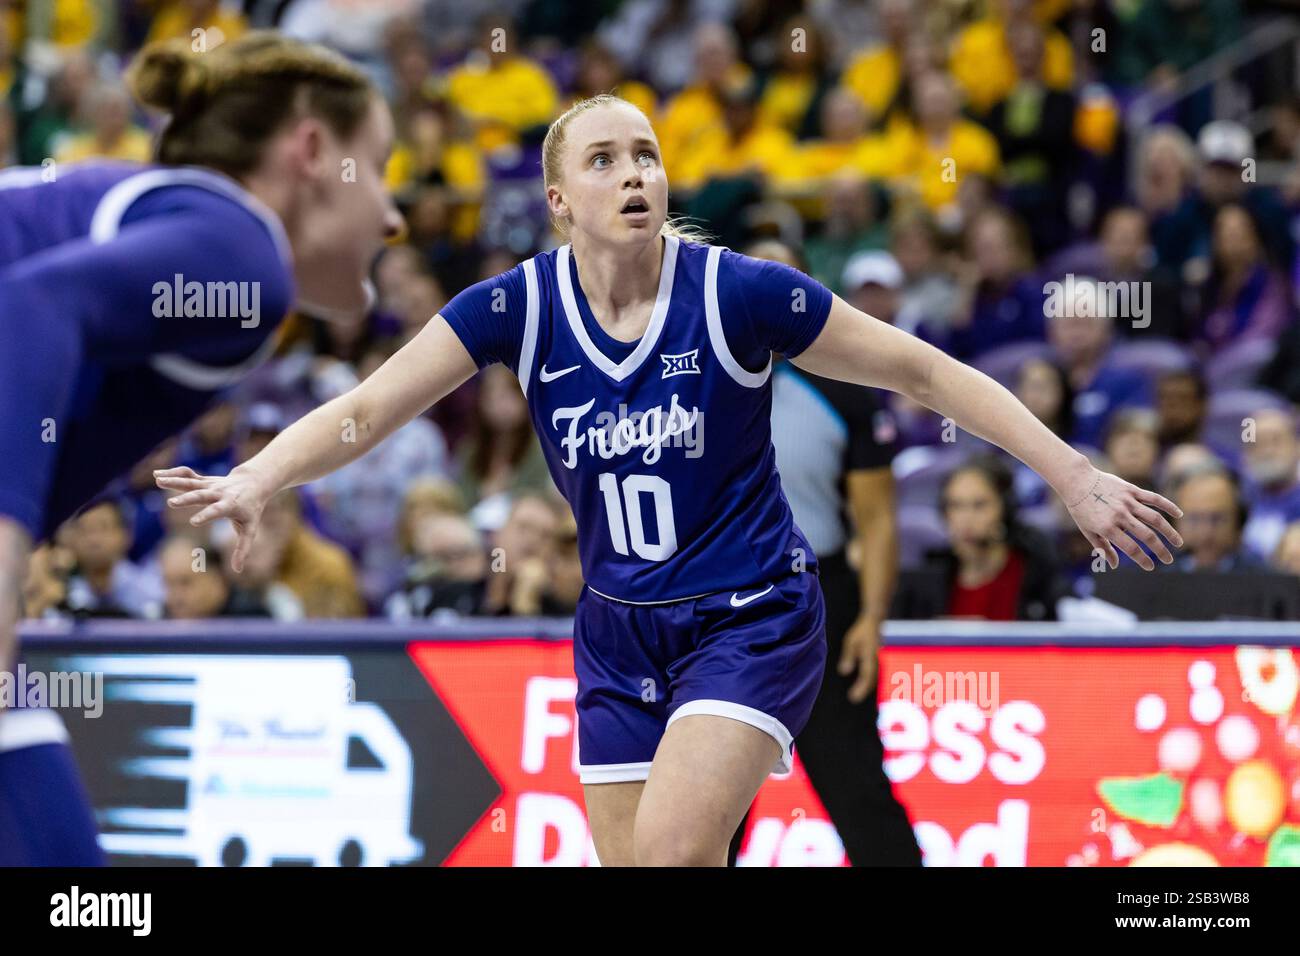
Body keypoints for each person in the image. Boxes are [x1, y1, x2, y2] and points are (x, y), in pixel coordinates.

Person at [159, 94, 1183, 867]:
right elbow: (368, 409)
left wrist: (1072, 471)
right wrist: (257, 476)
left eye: (645, 153)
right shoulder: (514, 308)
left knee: (669, 859)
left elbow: (919, 368)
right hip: (615, 626)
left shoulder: (736, 292)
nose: (634, 172)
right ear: (560, 199)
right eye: (603, 159)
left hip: (752, 614)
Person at [0, 32, 403, 865]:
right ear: (314, 150)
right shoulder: (245, 253)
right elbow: (28, 310)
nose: (395, 217)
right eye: (383, 165)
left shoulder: (212, 251)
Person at [724, 241, 920, 867]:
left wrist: (871, 619)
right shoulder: (691, 379)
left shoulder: (847, 388)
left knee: (854, 781)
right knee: (713, 799)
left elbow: (878, 518)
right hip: (718, 601)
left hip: (820, 597)